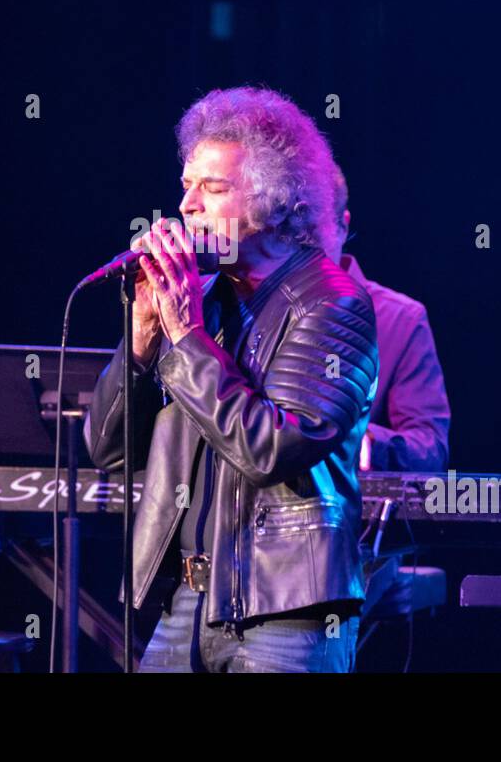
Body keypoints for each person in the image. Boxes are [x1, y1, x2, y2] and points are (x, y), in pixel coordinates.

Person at [84, 86, 378, 672]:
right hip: (186, 602)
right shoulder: (201, 299)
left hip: (287, 609)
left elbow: (270, 448)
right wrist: (142, 338)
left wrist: (188, 337)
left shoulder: (332, 303)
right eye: (187, 184)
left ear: (275, 201)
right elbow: (109, 450)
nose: (186, 204)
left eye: (213, 188)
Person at [324, 164, 450, 473]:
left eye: (311, 231)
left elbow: (431, 448)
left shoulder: (401, 318)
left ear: (342, 226)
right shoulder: (244, 303)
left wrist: (368, 441)